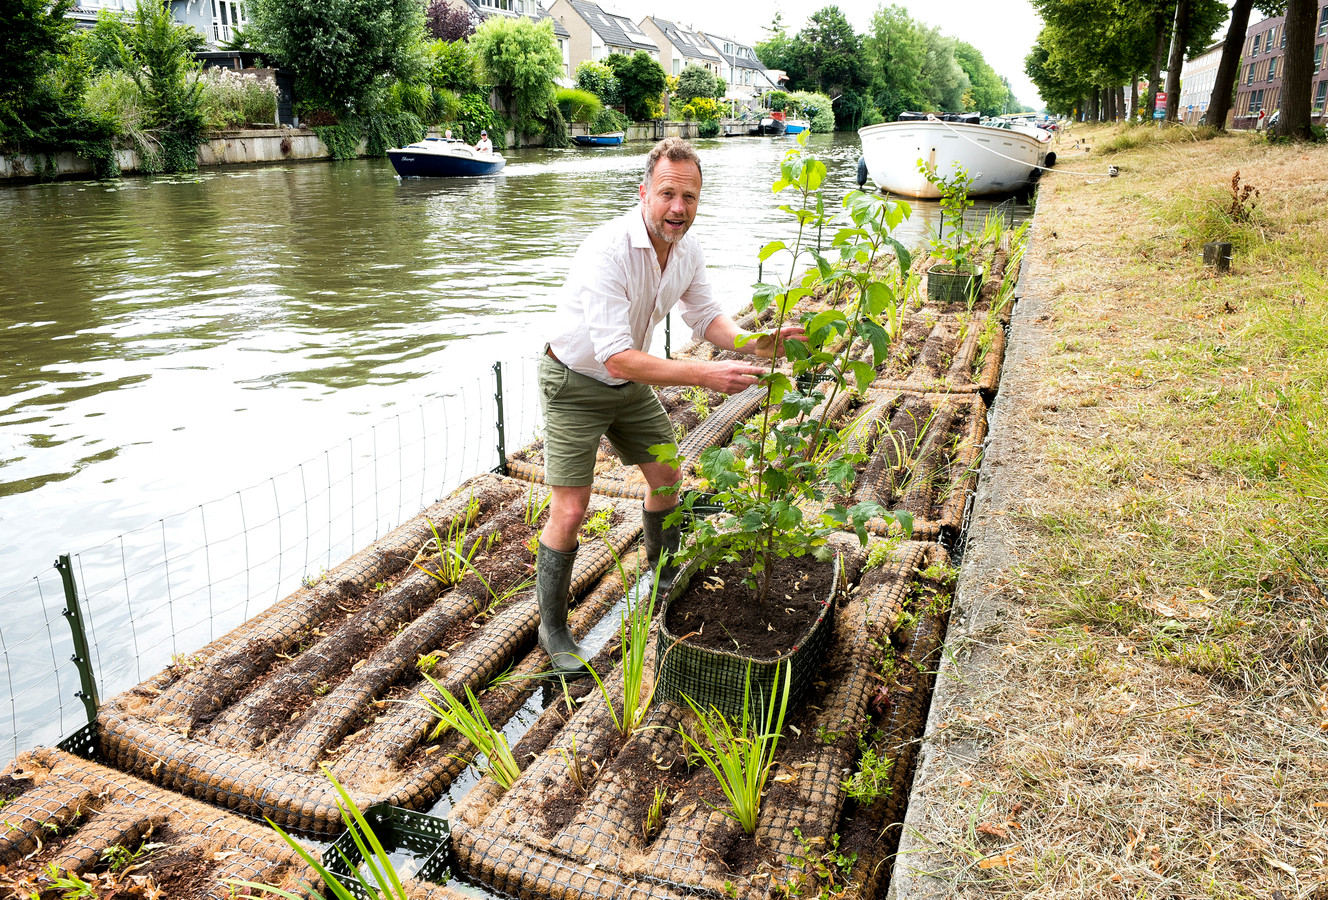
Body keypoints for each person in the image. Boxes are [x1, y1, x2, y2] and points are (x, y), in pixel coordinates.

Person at [535, 137, 803, 675]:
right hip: (575, 382)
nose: (678, 208)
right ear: (644, 193)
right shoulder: (608, 250)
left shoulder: (688, 248)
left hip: (627, 380)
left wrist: (753, 343)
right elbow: (614, 358)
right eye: (667, 195)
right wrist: (706, 374)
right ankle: (554, 628)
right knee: (571, 507)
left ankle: (662, 576)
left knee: (667, 477)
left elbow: (706, 317)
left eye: (690, 197)